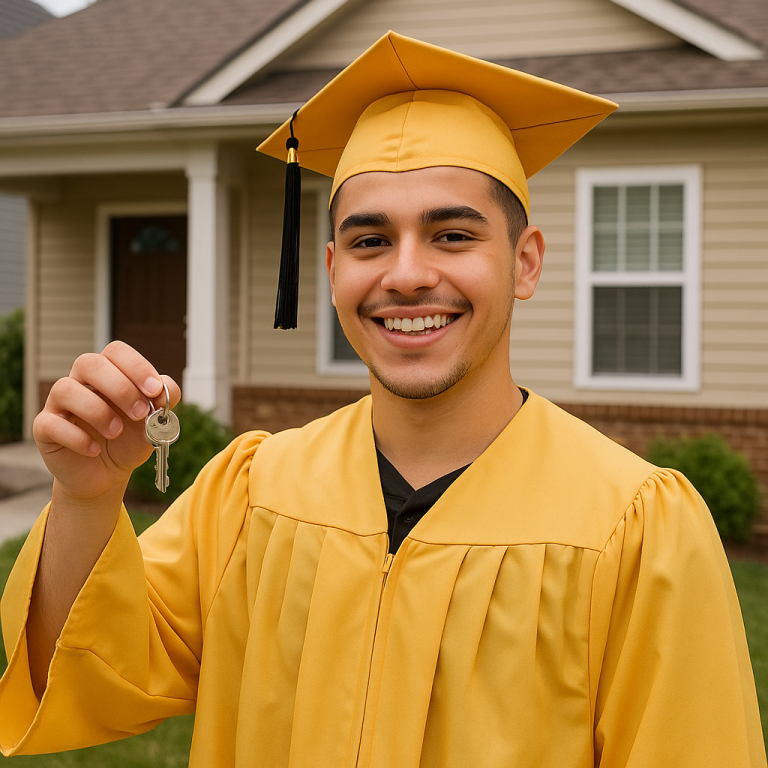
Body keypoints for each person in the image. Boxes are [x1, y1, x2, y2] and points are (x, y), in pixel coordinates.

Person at [1, 30, 766, 768]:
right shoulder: (252, 496)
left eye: (453, 236)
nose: (405, 274)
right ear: (332, 269)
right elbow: (89, 670)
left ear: (525, 263)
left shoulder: (634, 529)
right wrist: (88, 499)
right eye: (370, 241)